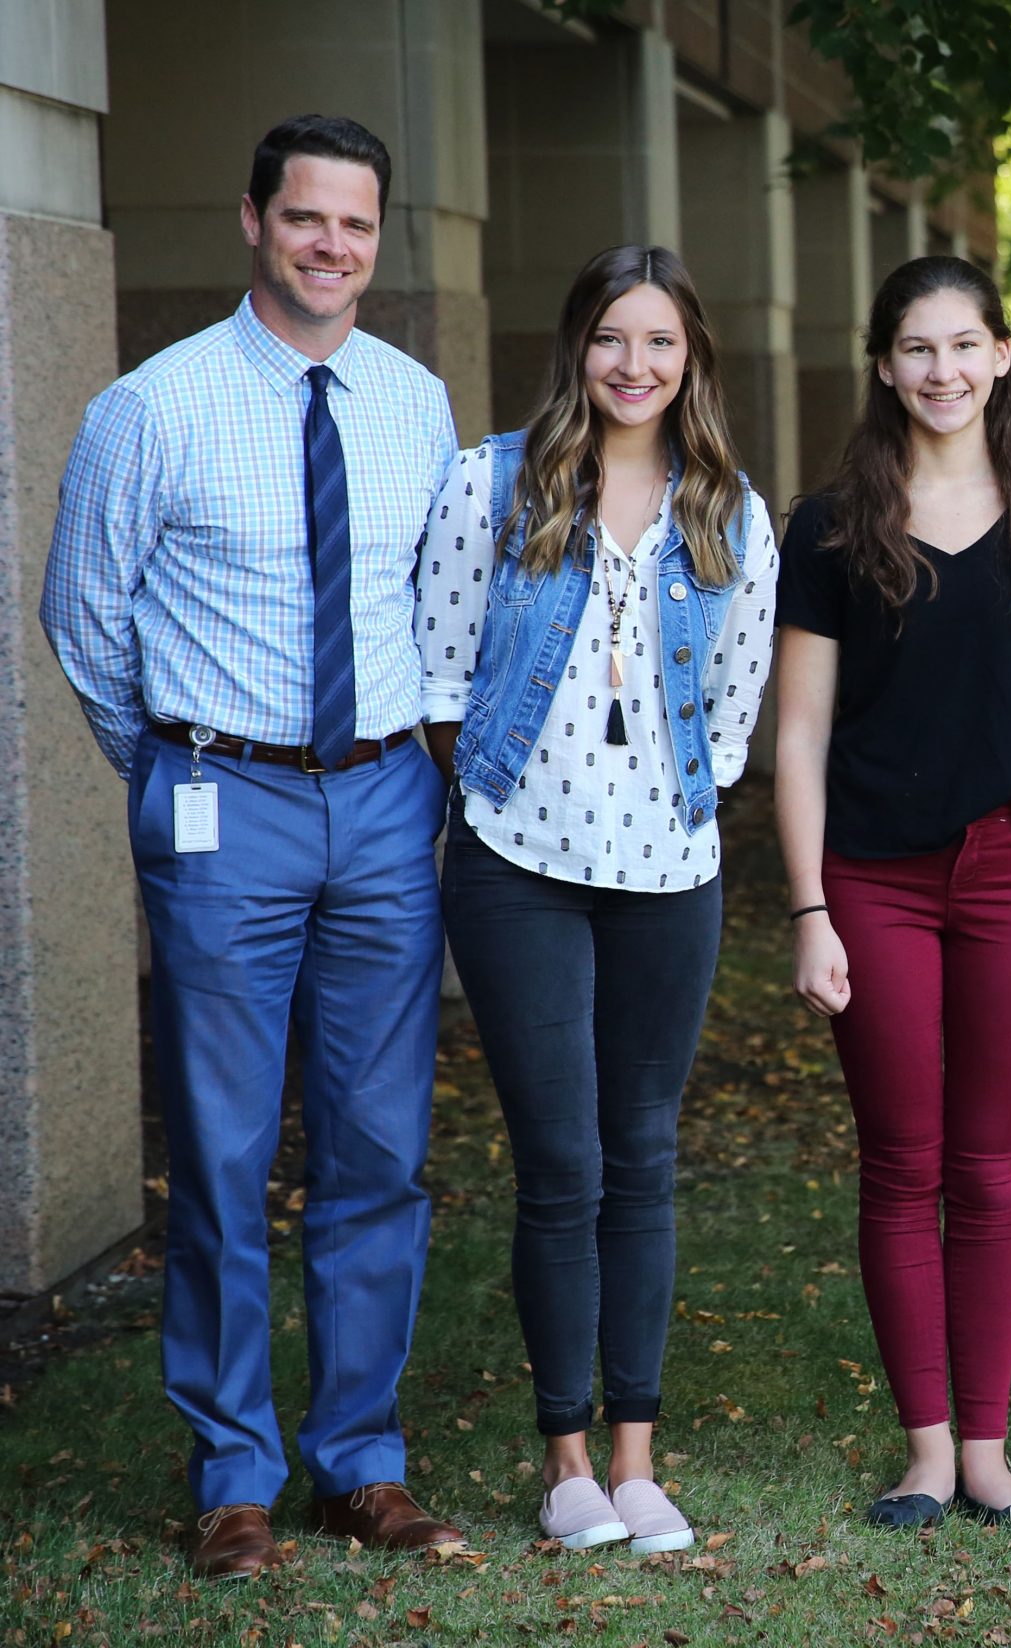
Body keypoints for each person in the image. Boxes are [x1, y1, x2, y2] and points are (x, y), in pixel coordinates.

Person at [40, 115, 463, 1577]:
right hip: (227, 805)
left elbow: (429, 602)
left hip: (388, 799)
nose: (331, 247)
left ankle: (360, 1463)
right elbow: (84, 622)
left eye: (355, 224)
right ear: (251, 221)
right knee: (223, 1154)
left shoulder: (416, 403)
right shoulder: (150, 409)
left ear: (376, 235)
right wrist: (173, 774)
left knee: (378, 1150)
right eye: (306, 220)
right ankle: (233, 1473)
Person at [420, 244, 776, 1555]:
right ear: (579, 348)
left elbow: (737, 695)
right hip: (518, 871)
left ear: (692, 361)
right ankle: (565, 1461)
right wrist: (506, 793)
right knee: (559, 1166)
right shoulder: (493, 485)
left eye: (661, 344)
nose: (636, 366)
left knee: (645, 1162)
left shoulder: (729, 511)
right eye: (613, 340)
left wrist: (683, 789)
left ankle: (637, 1459)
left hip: (669, 877)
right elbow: (442, 671)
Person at [774, 256, 1011, 1533]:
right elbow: (798, 733)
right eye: (917, 348)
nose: (943, 371)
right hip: (873, 878)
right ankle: (924, 1449)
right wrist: (809, 907)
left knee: (990, 1167)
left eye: (965, 345)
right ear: (882, 365)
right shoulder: (829, 527)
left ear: (1003, 355)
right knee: (900, 1160)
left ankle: (988, 1450)